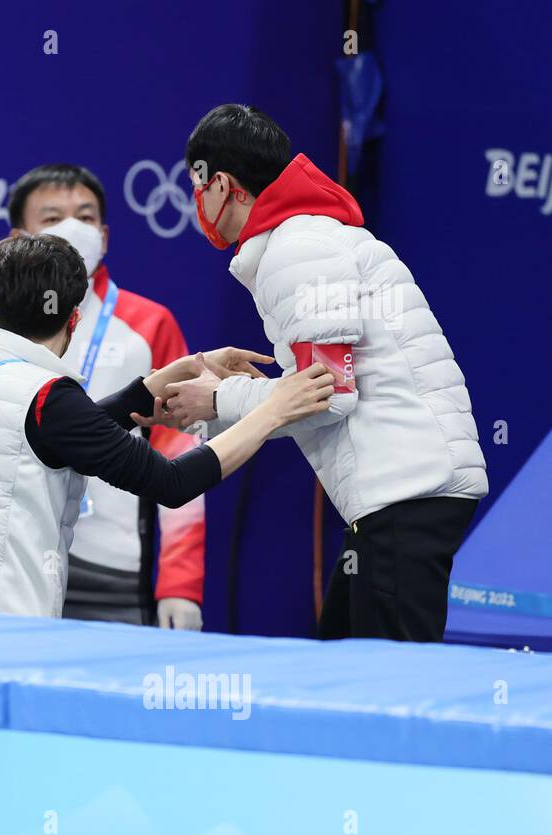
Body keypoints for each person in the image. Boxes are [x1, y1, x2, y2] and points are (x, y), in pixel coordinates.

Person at [173, 103, 488, 642]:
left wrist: (220, 400)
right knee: (344, 666)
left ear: (223, 184)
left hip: (405, 495)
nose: (196, 201)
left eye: (197, 186)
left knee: (390, 699)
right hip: (401, 497)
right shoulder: (306, 240)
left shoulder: (299, 248)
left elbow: (326, 394)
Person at [0, 234, 335, 618]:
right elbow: (173, 482)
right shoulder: (46, 398)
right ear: (74, 319)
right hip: (4, 629)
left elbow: (58, 436)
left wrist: (167, 377)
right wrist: (272, 410)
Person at [0, 163, 221, 629]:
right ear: (16, 237)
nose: (71, 229)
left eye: (84, 218)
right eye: (51, 218)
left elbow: (185, 449)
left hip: (116, 570)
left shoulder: (150, 325)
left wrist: (180, 583)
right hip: (14, 561)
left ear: (104, 235)